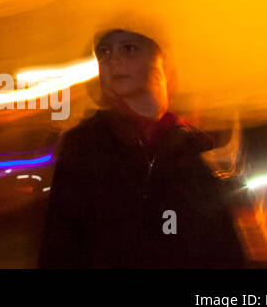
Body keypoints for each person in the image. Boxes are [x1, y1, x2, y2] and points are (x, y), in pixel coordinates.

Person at [38, 28, 250, 268]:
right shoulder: (83, 147)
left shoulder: (194, 149)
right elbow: (59, 245)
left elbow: (223, 245)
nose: (112, 60)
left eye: (129, 49)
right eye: (104, 52)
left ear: (160, 64)